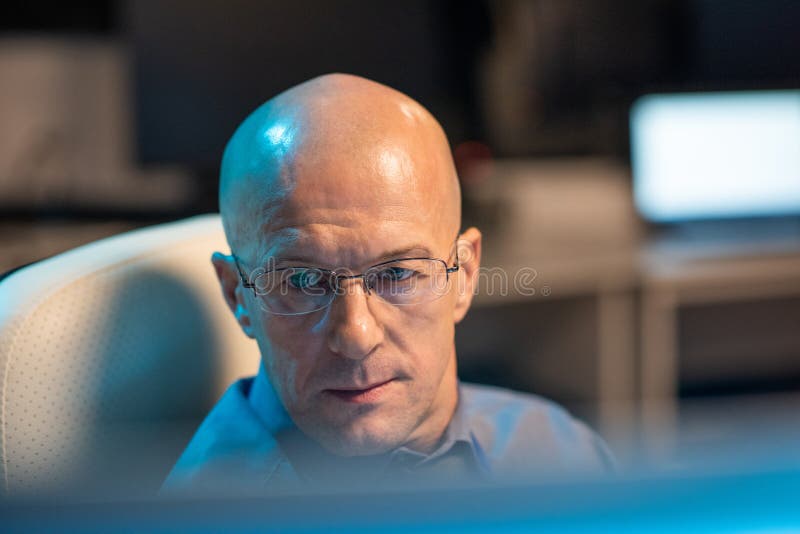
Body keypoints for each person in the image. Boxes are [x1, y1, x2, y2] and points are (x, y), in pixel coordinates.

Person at [163, 73, 613, 496]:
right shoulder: (195, 515)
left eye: (397, 273)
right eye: (302, 280)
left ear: (465, 276)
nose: (356, 337)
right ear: (237, 296)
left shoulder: (563, 455)